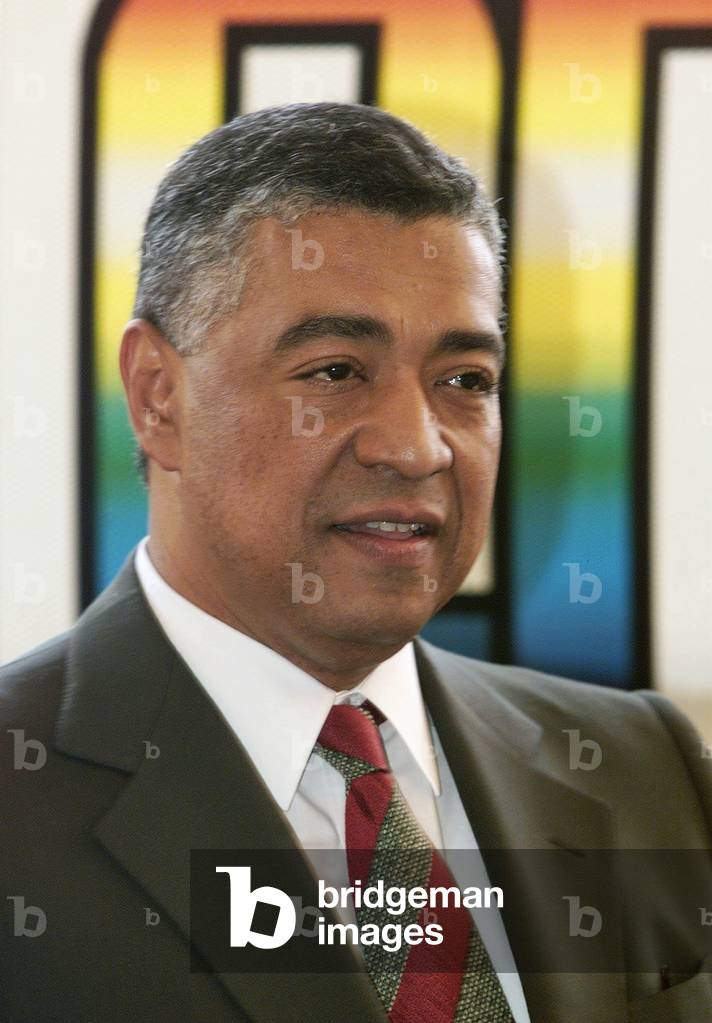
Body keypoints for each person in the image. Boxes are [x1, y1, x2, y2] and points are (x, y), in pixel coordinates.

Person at [1, 102, 710, 1023]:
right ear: (158, 396)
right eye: (337, 371)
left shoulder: (644, 767)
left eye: (465, 382)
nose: (418, 448)